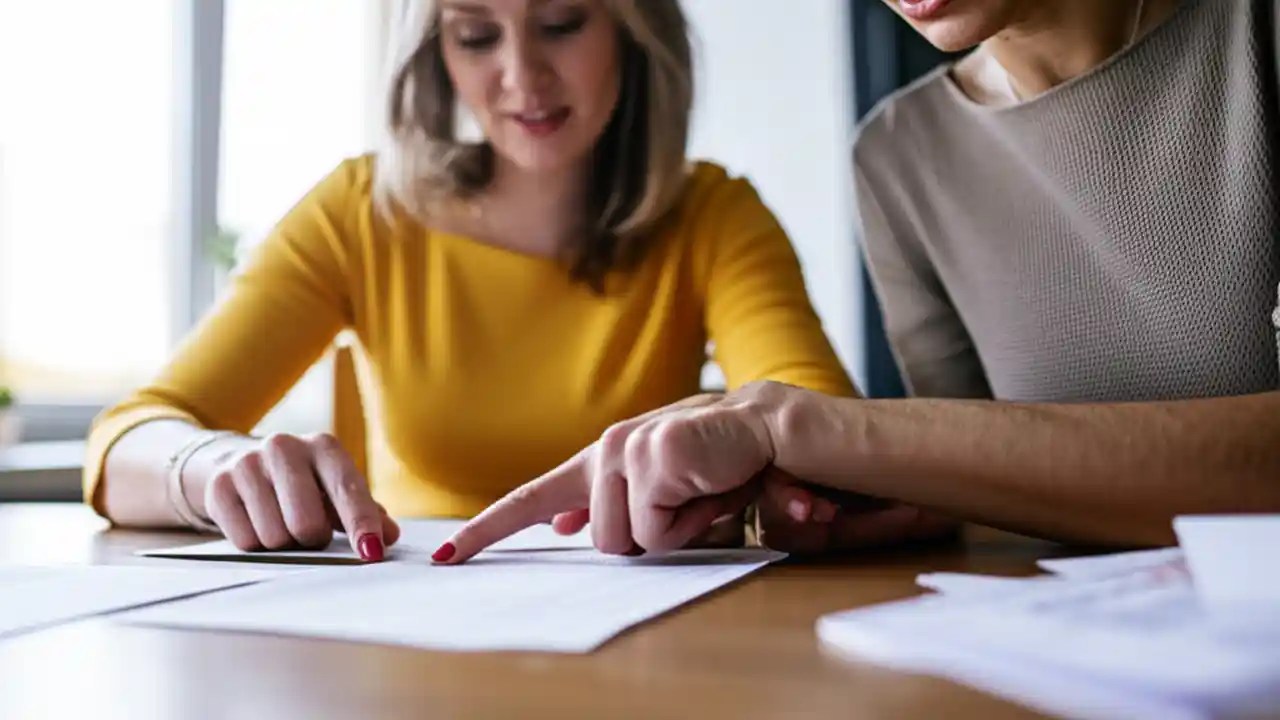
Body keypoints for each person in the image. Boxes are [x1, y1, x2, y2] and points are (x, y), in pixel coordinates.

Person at [433, 0, 1280, 564]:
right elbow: (994, 504)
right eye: (476, 34)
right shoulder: (899, 156)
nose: (520, 72)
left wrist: (811, 429)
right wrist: (859, 497)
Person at [85, 0, 855, 562]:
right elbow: (126, 443)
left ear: (633, 26)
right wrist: (210, 468)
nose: (522, 76)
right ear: (437, 52)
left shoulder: (714, 216)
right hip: (408, 623)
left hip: (650, 627)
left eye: (562, 23)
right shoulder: (360, 211)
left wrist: (764, 480)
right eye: (476, 35)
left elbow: (833, 436)